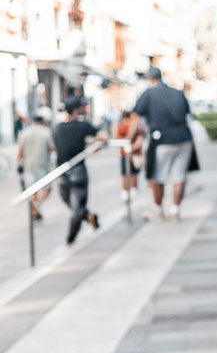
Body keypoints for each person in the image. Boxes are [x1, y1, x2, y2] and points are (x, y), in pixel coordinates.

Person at [132, 66, 195, 221]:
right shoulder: (177, 92)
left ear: (149, 79)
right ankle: (175, 210)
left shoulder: (148, 94)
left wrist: (131, 138)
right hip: (184, 138)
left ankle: (158, 209)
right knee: (179, 176)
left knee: (157, 176)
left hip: (162, 139)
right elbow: (187, 115)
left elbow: (135, 118)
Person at [52, 96, 106, 245]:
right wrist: (95, 142)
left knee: (71, 204)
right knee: (78, 207)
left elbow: (58, 146)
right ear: (76, 110)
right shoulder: (83, 125)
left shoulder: (58, 127)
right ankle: (72, 236)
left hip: (61, 171)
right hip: (77, 170)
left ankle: (74, 234)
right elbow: (103, 136)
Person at [16, 112, 55, 220]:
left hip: (28, 165)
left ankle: (35, 210)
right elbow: (52, 148)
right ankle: (37, 206)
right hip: (42, 165)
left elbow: (20, 152)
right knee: (48, 188)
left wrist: (18, 164)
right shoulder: (46, 132)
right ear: (42, 122)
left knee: (33, 190)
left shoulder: (25, 133)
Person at [115, 108, 143, 201]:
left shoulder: (122, 126)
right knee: (133, 174)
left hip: (125, 153)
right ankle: (133, 189)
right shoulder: (131, 125)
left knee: (125, 174)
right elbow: (140, 138)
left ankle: (125, 192)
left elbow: (118, 140)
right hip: (132, 153)